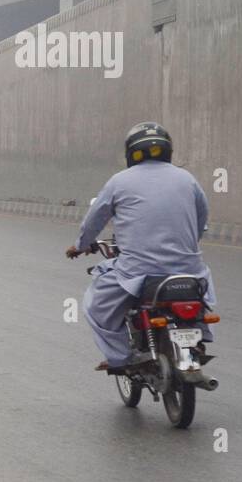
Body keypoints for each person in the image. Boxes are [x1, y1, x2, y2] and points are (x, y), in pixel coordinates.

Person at [66, 122, 216, 374]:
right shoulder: (187, 179)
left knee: (94, 306)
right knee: (200, 300)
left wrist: (80, 246)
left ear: (132, 152)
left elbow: (94, 221)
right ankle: (197, 341)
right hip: (189, 269)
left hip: (138, 272)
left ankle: (120, 357)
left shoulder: (119, 182)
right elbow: (201, 221)